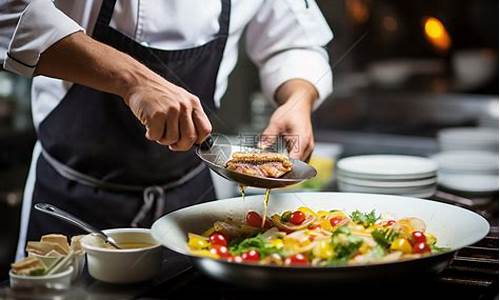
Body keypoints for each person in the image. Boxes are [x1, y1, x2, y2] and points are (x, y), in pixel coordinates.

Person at [0, 0, 333, 259]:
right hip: (72, 204)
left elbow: (295, 40)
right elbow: (11, 13)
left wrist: (298, 99)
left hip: (190, 201)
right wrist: (132, 80)